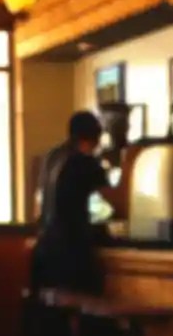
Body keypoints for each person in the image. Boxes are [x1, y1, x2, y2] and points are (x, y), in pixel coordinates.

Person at [31, 111, 113, 295]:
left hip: (44, 250)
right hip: (70, 254)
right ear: (95, 139)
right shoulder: (85, 162)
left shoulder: (51, 157)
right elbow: (119, 203)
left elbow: (37, 205)